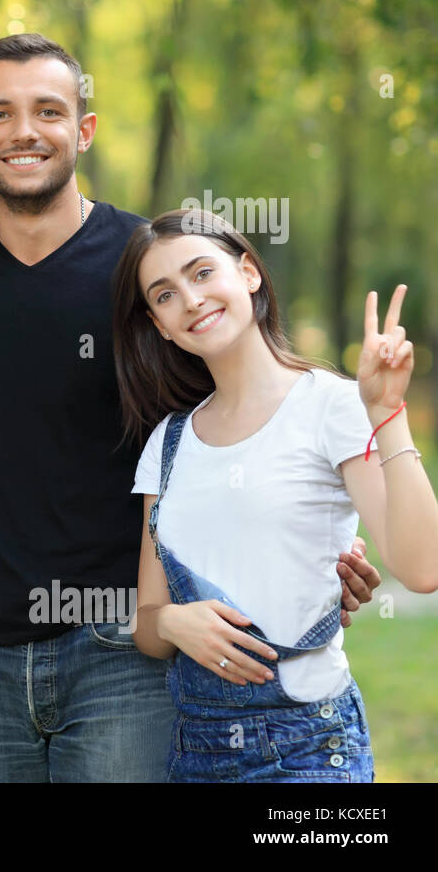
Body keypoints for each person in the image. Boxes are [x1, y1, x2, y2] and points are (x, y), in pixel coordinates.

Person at [0, 33, 382, 782]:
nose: (24, 131)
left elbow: (236, 423)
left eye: (48, 110)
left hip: (126, 650)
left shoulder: (150, 272)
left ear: (84, 129)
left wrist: (311, 550)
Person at [115, 208, 438, 781]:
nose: (190, 299)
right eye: (165, 295)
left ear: (248, 273)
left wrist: (387, 413)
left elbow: (423, 568)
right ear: (159, 324)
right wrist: (170, 624)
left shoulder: (331, 405)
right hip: (196, 752)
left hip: (309, 749)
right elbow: (148, 621)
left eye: (202, 272)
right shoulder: (167, 444)